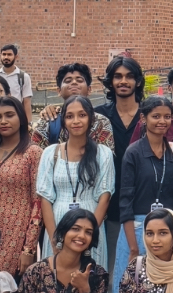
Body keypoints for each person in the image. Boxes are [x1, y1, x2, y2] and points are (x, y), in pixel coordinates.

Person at [113, 96, 173, 293]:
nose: (162, 121)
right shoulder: (133, 152)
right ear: (143, 118)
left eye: (167, 116)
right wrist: (133, 248)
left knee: (158, 289)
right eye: (156, 116)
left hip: (165, 229)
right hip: (136, 228)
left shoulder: (172, 151)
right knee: (128, 287)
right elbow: (125, 200)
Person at [36, 96, 114, 270]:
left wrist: (88, 233)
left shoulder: (103, 154)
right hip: (58, 222)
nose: (76, 121)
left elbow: (104, 197)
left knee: (89, 281)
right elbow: (46, 198)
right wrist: (54, 238)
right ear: (63, 120)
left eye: (82, 115)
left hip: (92, 222)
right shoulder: (50, 153)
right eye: (70, 116)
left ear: (91, 119)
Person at [0, 96, 43, 279]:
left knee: (7, 289)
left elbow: (38, 202)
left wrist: (29, 248)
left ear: (21, 118)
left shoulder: (32, 153)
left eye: (10, 115)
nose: (3, 121)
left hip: (17, 233)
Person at [96, 55, 145, 275]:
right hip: (107, 202)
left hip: (142, 200)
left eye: (129, 76)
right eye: (118, 76)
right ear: (110, 81)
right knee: (109, 268)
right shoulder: (98, 116)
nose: (123, 81)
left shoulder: (149, 115)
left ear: (137, 81)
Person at [32, 63, 115, 149]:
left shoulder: (101, 123)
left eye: (79, 80)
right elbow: (36, 157)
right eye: (68, 81)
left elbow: (105, 158)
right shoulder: (47, 122)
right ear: (59, 91)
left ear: (89, 89)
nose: (74, 82)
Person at [0, 42, 34, 120]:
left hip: (16, 117)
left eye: (9, 54)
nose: (6, 57)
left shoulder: (23, 77)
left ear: (16, 57)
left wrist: (29, 124)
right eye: (4, 54)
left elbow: (26, 102)